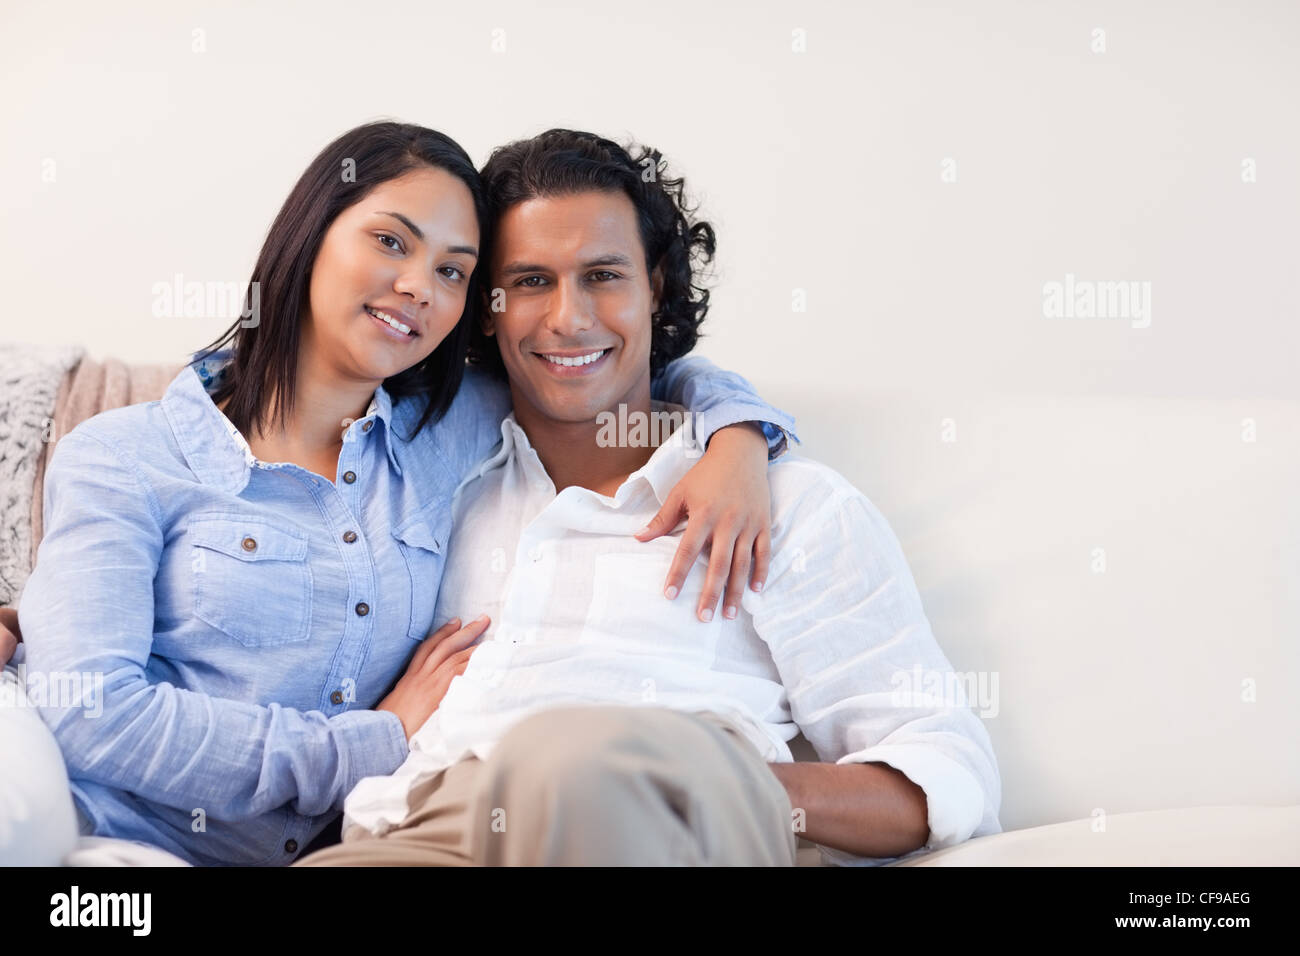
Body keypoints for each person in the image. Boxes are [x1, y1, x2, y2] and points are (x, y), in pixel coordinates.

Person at [6, 121, 798, 866]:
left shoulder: (445, 430)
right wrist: (374, 740)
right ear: (310, 237)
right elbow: (90, 713)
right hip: (103, 834)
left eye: (453, 270)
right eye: (391, 241)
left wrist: (738, 438)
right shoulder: (124, 456)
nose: (419, 284)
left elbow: (612, 366)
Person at [296, 130, 1001, 867]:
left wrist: (724, 788)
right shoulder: (429, 484)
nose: (569, 318)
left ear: (655, 286)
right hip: (415, 829)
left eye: (602, 275)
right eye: (532, 281)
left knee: (572, 756)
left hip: (657, 819)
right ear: (485, 308)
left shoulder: (791, 506)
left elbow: (948, 772)